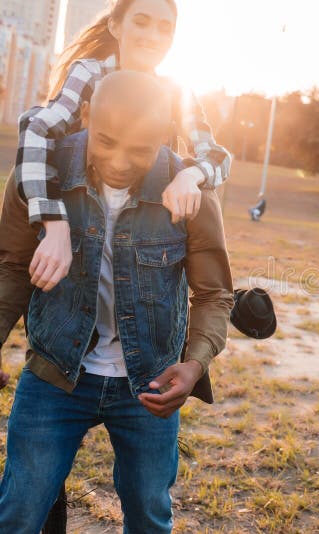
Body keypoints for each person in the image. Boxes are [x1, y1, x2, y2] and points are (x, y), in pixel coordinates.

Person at [0, 71, 234, 533]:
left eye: (141, 149)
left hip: (149, 381)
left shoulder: (190, 194)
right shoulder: (40, 175)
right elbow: (9, 268)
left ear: (165, 136)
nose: (120, 161)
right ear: (86, 116)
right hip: (55, 373)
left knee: (149, 515)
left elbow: (214, 294)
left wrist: (194, 365)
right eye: (105, 141)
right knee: (20, 511)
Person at [15, 0, 232, 295]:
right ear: (115, 25)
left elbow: (217, 156)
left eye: (164, 28)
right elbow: (38, 128)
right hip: (82, 227)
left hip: (143, 239)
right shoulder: (89, 74)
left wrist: (189, 175)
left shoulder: (176, 92)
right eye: (141, 22)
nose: (153, 36)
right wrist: (54, 223)